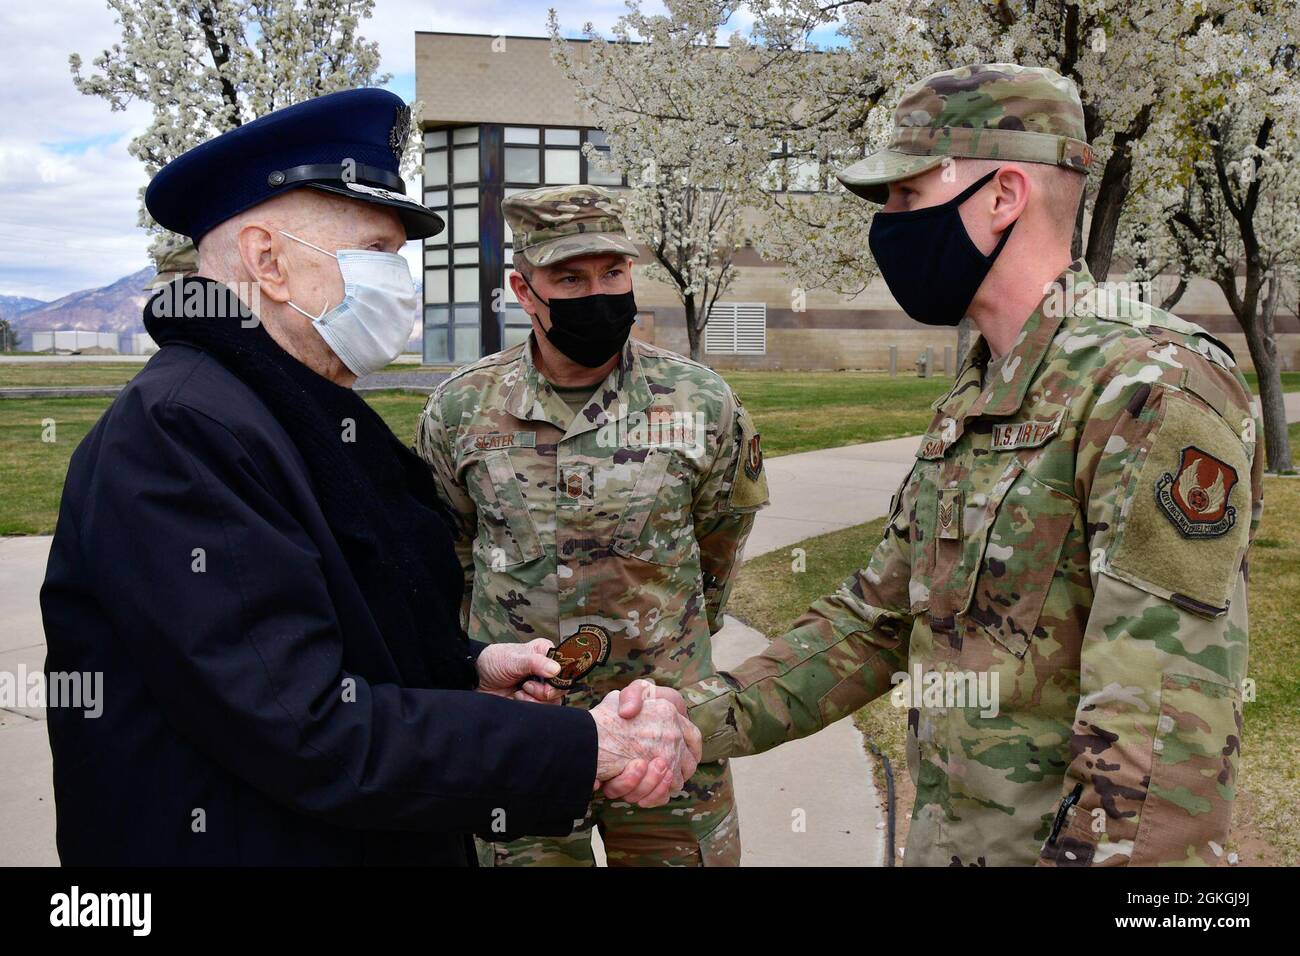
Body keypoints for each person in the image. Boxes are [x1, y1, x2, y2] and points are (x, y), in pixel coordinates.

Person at [40, 88, 698, 866]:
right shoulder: (183, 434)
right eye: (379, 252)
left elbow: (339, 639)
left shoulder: (289, 409)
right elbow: (305, 725)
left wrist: (467, 672)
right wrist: (580, 746)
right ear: (267, 261)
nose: (400, 282)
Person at [674, 64, 1264, 866]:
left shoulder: (1149, 386)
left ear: (1002, 197)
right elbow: (875, 623)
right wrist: (690, 722)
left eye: (907, 198)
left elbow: (1162, 731)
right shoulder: (982, 388)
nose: (887, 224)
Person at [415, 184, 769, 866]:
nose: (598, 292)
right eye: (570, 278)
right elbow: (450, 554)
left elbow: (719, 548)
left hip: (666, 729)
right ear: (524, 291)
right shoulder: (461, 410)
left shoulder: (701, 402)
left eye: (613, 272)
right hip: (525, 734)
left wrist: (669, 648)